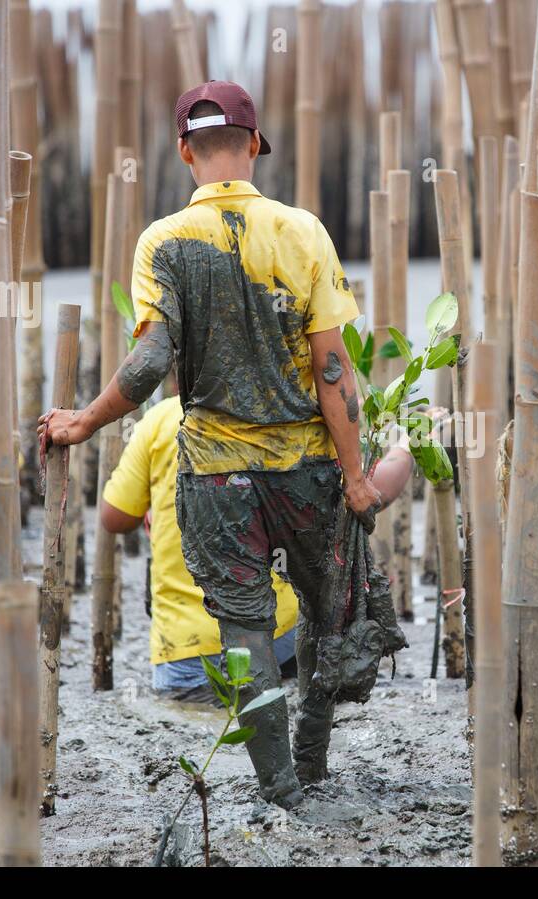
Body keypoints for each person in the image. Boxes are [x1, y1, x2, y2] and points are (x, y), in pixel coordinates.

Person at [40, 80, 381, 809]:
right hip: (309, 470)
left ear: (183, 150)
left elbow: (148, 365)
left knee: (246, 635)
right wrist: (355, 475)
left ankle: (280, 788)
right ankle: (313, 760)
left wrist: (81, 422)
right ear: (255, 144)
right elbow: (332, 368)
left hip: (218, 477)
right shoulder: (304, 231)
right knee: (323, 619)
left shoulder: (162, 242)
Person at [99, 394, 417, 702]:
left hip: (187, 657)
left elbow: (114, 518)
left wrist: (157, 504)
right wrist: (406, 444)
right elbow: (368, 494)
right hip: (280, 639)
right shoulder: (289, 414)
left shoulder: (158, 421)